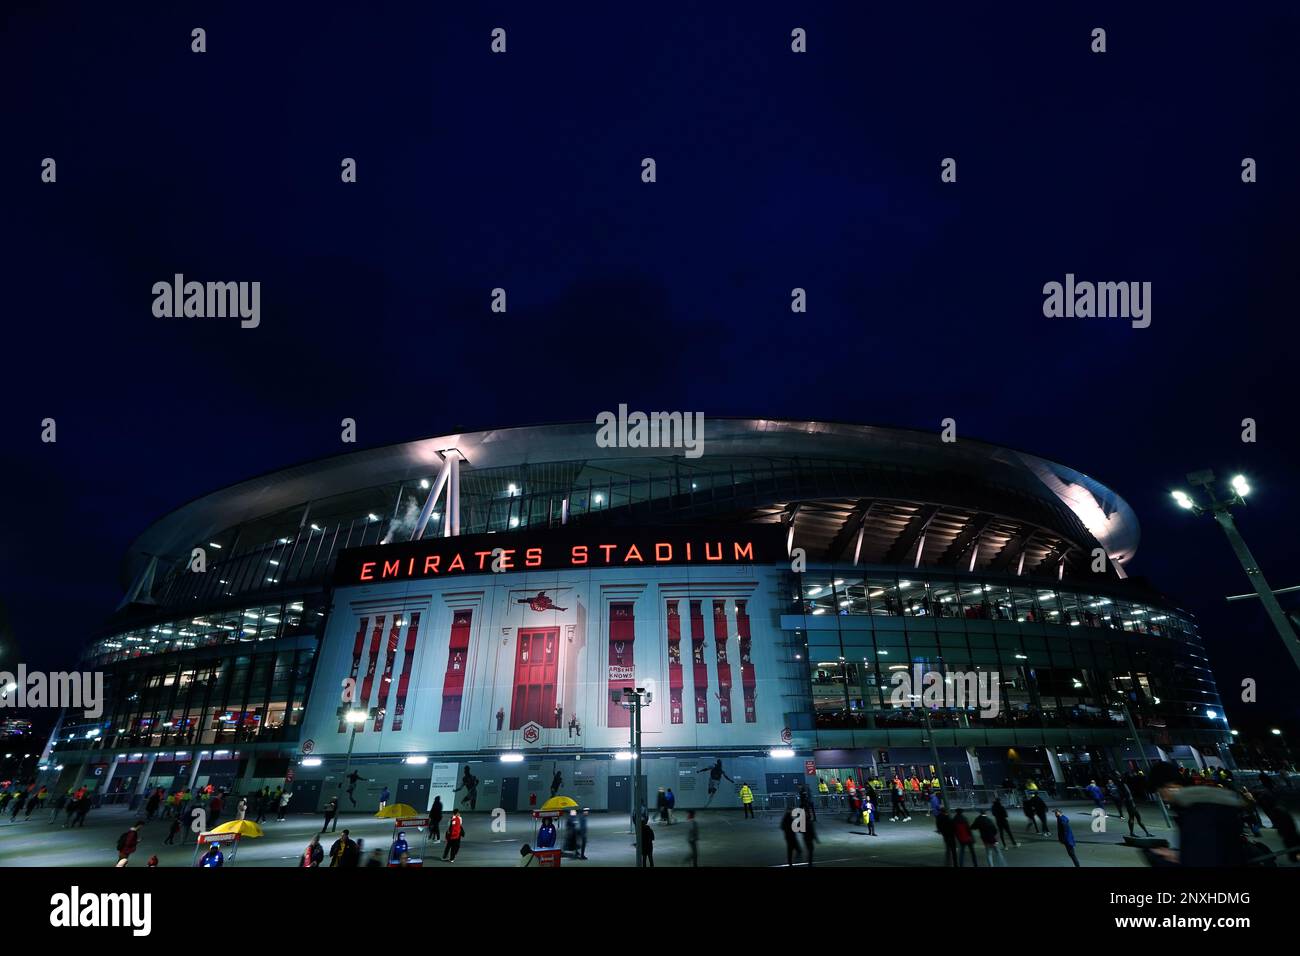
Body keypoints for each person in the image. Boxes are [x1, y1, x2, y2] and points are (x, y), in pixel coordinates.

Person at [1143, 761, 1245, 867]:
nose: (1163, 798)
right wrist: (1178, 855)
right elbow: (1206, 852)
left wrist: (1157, 859)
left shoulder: (1196, 813)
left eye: (1160, 792)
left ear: (1169, 786)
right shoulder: (1206, 803)